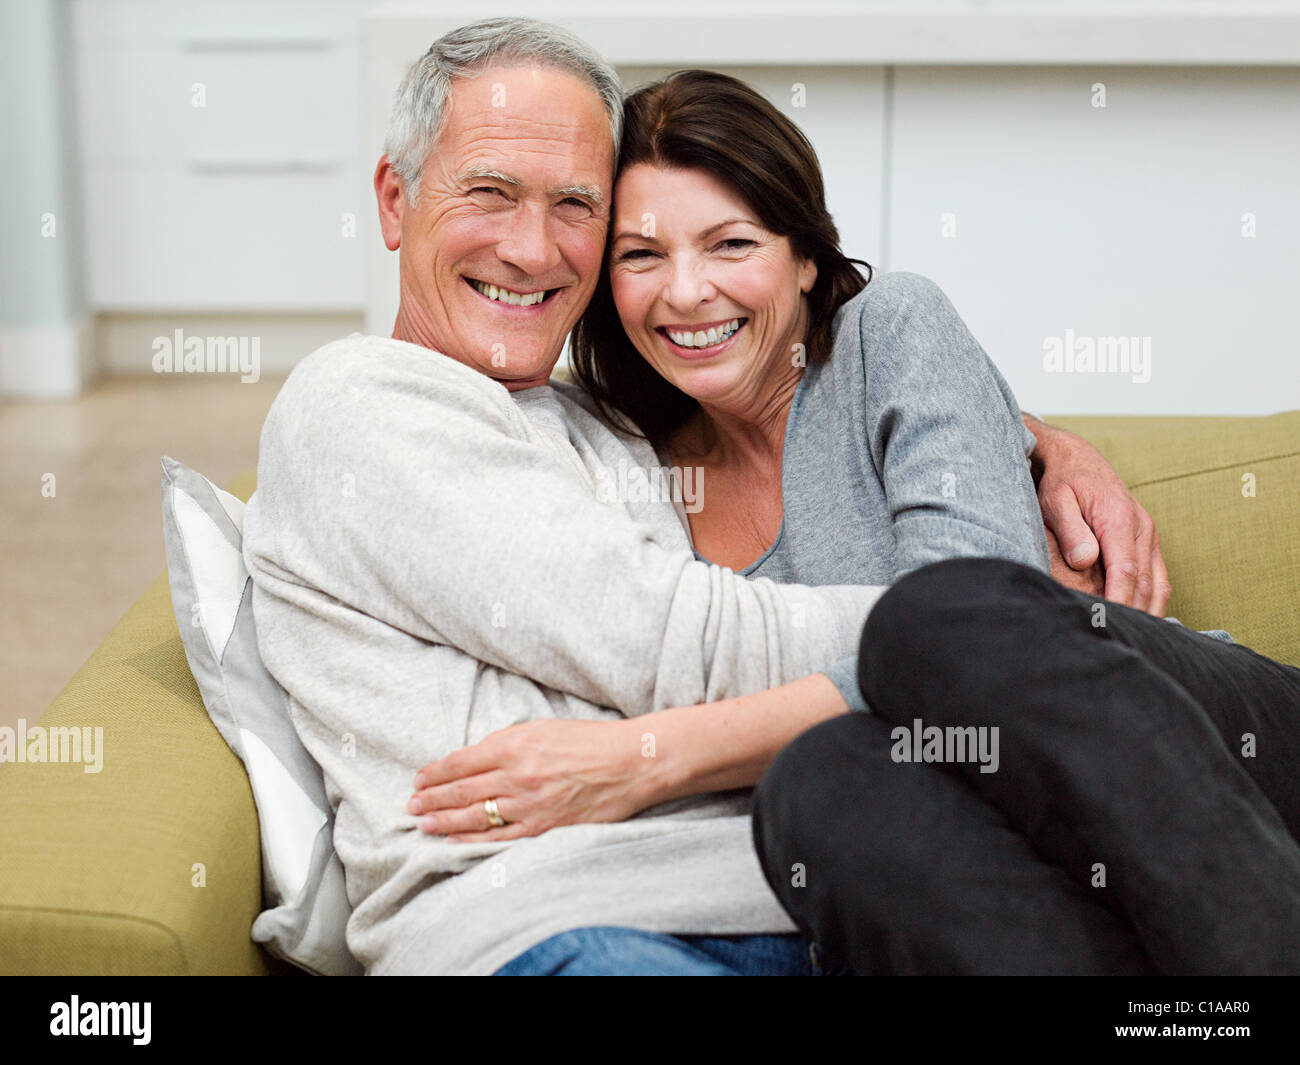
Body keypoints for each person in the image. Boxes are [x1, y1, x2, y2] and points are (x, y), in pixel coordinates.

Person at [243, 18, 1161, 976]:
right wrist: (1003, 615)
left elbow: (825, 405)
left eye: (575, 206)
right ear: (396, 199)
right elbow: (682, 643)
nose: (531, 247)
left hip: (816, 896)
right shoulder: (359, 404)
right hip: (554, 930)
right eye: (491, 192)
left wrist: (1036, 444)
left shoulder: (613, 423)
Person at [408, 66, 1300, 974]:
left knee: (937, 620)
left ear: (804, 255)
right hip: (1007, 846)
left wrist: (648, 756)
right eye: (641, 256)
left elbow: (979, 628)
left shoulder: (891, 330)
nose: (685, 292)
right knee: (814, 783)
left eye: (730, 244)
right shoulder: (619, 457)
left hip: (1202, 752)